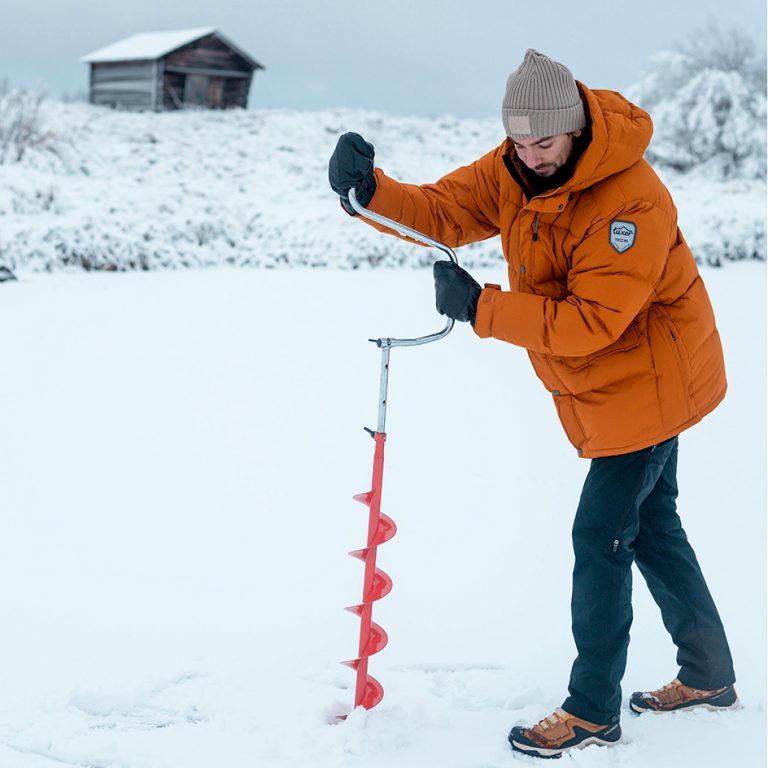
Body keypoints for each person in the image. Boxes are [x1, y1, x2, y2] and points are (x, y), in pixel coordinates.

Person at [328, 49, 737, 759]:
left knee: (600, 537)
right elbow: (447, 209)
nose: (528, 155)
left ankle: (591, 709)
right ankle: (708, 673)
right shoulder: (518, 167)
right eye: (517, 141)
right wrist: (369, 191)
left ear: (575, 129)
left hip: (648, 379)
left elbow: (590, 323)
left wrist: (484, 307)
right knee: (654, 524)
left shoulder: (628, 199)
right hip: (616, 381)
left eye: (542, 142)